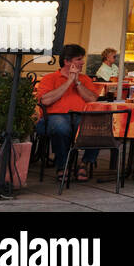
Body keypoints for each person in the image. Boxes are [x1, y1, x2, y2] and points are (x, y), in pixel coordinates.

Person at [34, 44, 101, 182]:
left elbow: (92, 99)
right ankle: (62, 166)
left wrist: (77, 83)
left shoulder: (85, 79)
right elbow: (45, 100)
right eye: (78, 59)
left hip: (81, 116)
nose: (82, 62)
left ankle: (85, 163)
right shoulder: (50, 78)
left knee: (99, 127)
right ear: (67, 61)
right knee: (61, 127)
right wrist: (68, 81)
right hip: (54, 117)